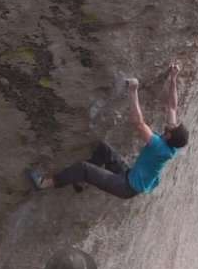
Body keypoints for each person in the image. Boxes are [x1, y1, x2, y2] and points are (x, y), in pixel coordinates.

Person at [30, 62, 189, 198]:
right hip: (128, 175)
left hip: (125, 186)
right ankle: (80, 181)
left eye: (173, 127)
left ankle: (43, 184)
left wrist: (133, 91)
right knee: (103, 150)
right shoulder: (171, 143)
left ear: (168, 136)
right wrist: (173, 78)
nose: (173, 123)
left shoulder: (158, 147)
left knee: (83, 168)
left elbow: (138, 123)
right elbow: (172, 108)